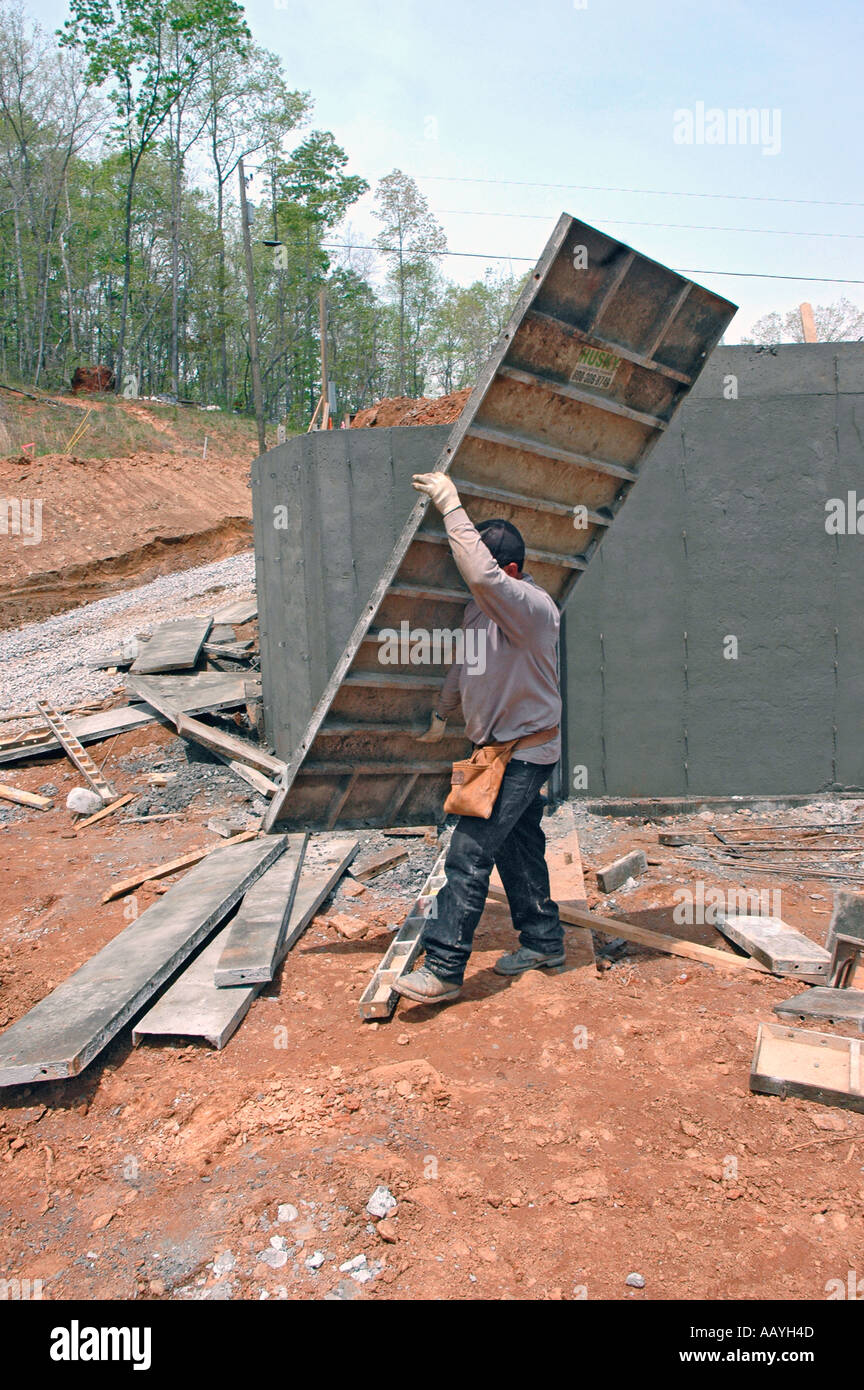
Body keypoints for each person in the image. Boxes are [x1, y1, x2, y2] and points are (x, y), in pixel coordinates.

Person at [393, 469, 565, 1005]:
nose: (477, 581)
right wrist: (443, 716)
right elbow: (463, 667)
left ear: (511, 570)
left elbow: (485, 579)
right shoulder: (483, 608)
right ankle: (543, 942)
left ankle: (444, 969)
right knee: (519, 846)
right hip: (494, 752)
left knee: (468, 853)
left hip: (525, 751)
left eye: (488, 572)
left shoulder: (531, 608)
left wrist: (450, 505)